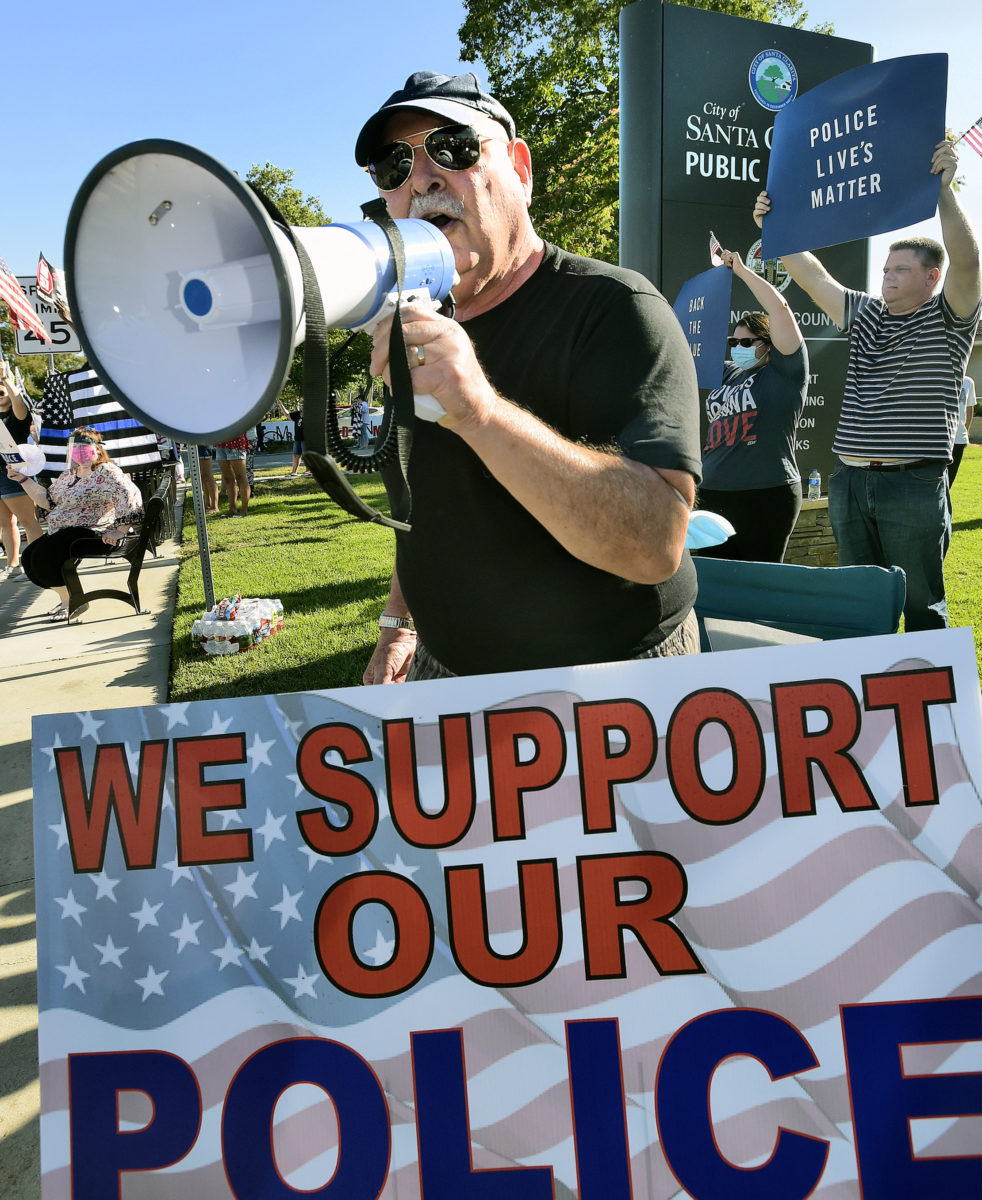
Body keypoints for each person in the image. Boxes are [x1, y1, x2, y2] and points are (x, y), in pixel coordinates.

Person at [356, 71, 701, 684]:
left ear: (520, 168)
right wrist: (398, 623)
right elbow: (428, 506)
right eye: (393, 166)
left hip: (614, 680)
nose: (423, 177)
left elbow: (655, 543)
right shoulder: (413, 326)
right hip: (449, 671)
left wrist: (480, 413)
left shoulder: (616, 308)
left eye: (453, 146)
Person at [754, 141, 982, 630]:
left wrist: (944, 193)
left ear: (931, 277)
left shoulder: (950, 318)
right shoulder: (867, 314)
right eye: (885, 269)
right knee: (859, 607)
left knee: (922, 607)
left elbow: (970, 265)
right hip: (850, 482)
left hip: (914, 484)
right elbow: (813, 277)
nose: (888, 278)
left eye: (901, 270)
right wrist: (776, 227)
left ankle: (929, 700)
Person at [696, 246, 807, 562]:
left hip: (766, 496)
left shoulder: (785, 372)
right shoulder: (728, 372)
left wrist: (743, 272)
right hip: (713, 496)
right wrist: (717, 281)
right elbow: (698, 332)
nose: (738, 348)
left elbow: (781, 309)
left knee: (759, 586)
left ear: (770, 345)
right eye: (734, 343)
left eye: (747, 343)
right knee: (715, 586)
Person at [10, 428, 143, 622]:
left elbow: (130, 495)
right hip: (67, 532)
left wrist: (119, 531)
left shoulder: (106, 471)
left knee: (42, 558)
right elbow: (47, 500)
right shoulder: (69, 474)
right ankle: (68, 597)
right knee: (30, 557)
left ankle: (72, 600)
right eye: (75, 446)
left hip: (91, 533)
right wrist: (22, 479)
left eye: (84, 446)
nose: (79, 450)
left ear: (97, 449)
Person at [0, 362, 45, 579]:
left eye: (3, 389)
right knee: (6, 523)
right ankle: (13, 564)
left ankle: (36, 563)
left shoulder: (17, 416)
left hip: (15, 473)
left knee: (28, 521)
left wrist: (6, 379)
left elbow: (18, 403)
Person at [212, 432, 251, 517]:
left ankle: (244, 510)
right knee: (227, 478)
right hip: (220, 441)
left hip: (235, 440)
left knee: (240, 477)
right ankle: (232, 509)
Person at [949, 375, 976, 486]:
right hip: (942, 438)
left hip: (959, 438)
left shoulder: (968, 381)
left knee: (950, 480)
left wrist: (966, 433)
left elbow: (969, 409)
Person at [197, 444, 220, 514]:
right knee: (203, 476)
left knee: (207, 475)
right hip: (198, 444)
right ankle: (207, 503)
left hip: (203, 444)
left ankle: (214, 506)